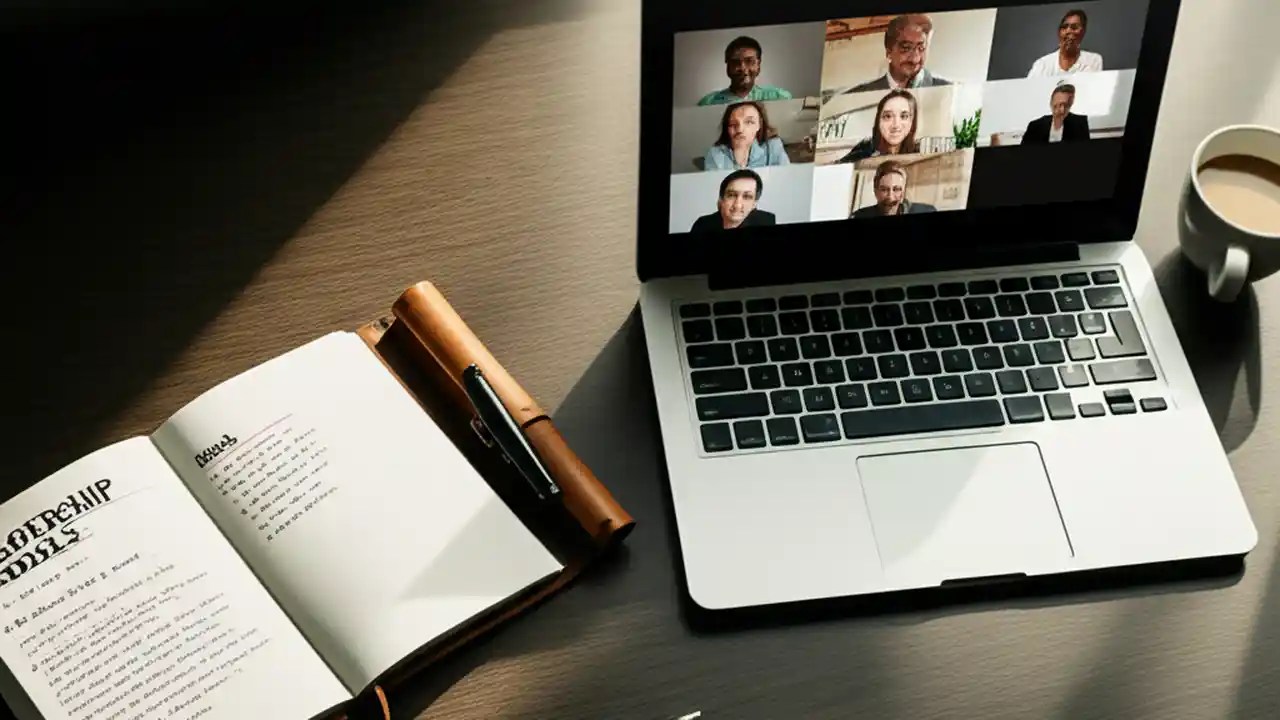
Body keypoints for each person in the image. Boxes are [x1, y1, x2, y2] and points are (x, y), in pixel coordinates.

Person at [847, 14, 952, 93]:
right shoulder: (859, 95)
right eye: (906, 48)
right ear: (889, 51)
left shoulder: (946, 91)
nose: (915, 58)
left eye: (921, 48)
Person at [697, 36, 793, 106]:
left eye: (749, 61)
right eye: (735, 62)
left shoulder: (779, 98)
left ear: (758, 65)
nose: (742, 68)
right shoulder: (709, 103)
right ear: (727, 66)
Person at [836, 89, 919, 164]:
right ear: (878, 121)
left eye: (904, 116)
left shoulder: (919, 153)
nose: (896, 125)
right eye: (888, 116)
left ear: (912, 122)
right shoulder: (865, 149)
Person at [703, 101, 791, 171]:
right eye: (733, 124)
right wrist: (739, 154)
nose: (740, 130)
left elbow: (784, 180)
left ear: (759, 125)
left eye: (749, 122)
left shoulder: (773, 146)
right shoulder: (715, 153)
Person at [690, 169, 777, 232]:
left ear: (754, 204)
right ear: (721, 199)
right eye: (731, 195)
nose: (737, 205)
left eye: (747, 197)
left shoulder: (767, 221)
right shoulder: (702, 225)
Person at [1028, 9, 1103, 76]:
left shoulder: (1093, 60)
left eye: (1074, 27)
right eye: (1064, 27)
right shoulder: (1042, 64)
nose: (1068, 31)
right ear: (1059, 32)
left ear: (1083, 32)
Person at [851, 161, 937, 218]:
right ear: (876, 191)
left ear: (903, 192)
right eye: (884, 189)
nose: (890, 197)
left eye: (896, 189)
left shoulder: (927, 211)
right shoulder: (859, 216)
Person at [1022, 84, 1091, 143]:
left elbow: (1083, 152)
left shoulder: (1079, 124)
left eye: (1066, 105)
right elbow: (1022, 153)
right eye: (1059, 105)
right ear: (1051, 104)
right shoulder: (1035, 126)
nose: (1062, 110)